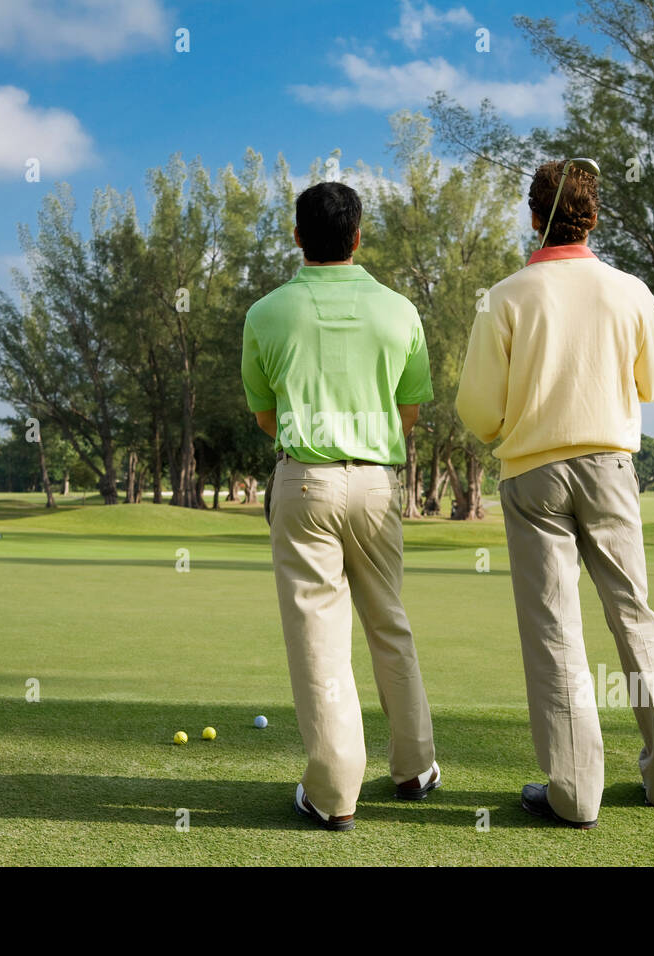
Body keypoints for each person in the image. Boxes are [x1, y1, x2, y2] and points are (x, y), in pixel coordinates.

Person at [456, 160, 654, 829]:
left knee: (555, 628)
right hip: (611, 467)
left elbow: (477, 408)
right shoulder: (630, 291)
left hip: (532, 475)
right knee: (633, 614)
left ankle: (574, 793)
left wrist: (514, 427)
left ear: (535, 216)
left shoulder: (503, 296)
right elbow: (651, 383)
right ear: (594, 218)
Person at [241, 181, 440, 831]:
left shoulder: (266, 313)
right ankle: (414, 768)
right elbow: (408, 413)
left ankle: (333, 796)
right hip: (378, 483)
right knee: (390, 624)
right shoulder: (399, 310)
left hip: (304, 483)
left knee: (319, 640)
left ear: (297, 235)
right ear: (358, 236)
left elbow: (267, 417)